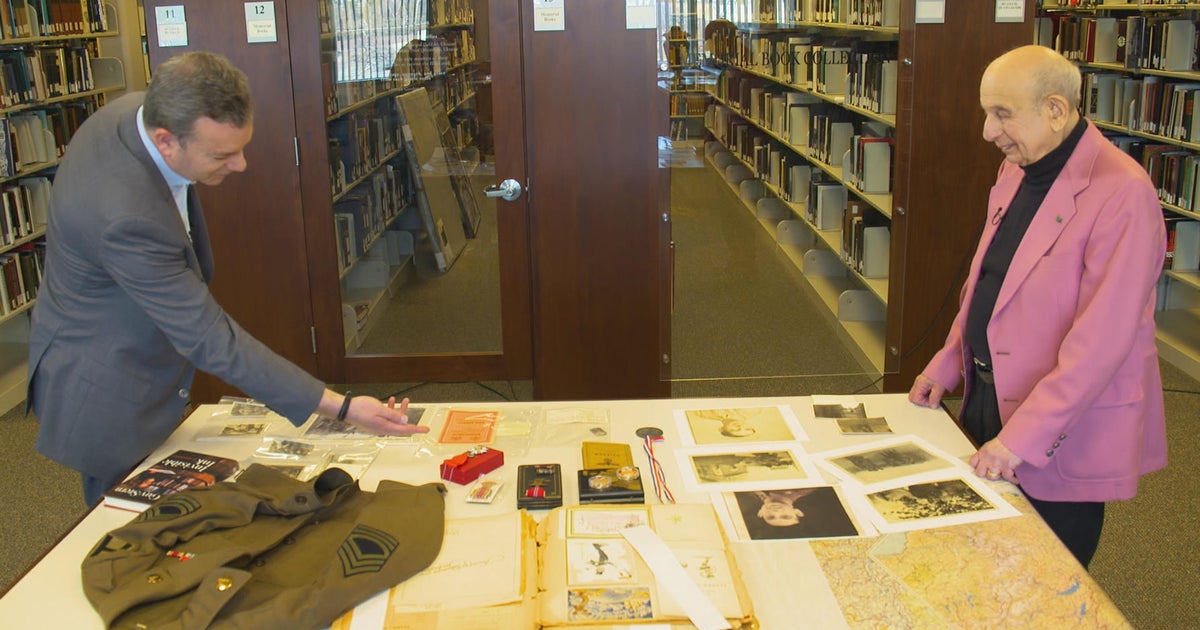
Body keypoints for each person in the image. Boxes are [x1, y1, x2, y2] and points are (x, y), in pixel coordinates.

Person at [27, 52, 428, 508]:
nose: (240, 166)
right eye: (222, 154)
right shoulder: (124, 217)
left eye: (241, 147)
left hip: (134, 343)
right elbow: (211, 340)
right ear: (165, 141)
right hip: (106, 385)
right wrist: (340, 407)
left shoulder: (140, 112)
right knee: (126, 525)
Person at [908, 45, 1168, 568]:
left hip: (1055, 431)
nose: (987, 130)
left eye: (1002, 114)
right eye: (987, 111)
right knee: (979, 567)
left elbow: (1102, 342)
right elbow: (989, 282)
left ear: (1055, 110)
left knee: (1043, 580)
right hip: (990, 398)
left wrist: (1021, 439)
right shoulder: (1016, 170)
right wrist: (951, 357)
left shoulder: (1123, 193)